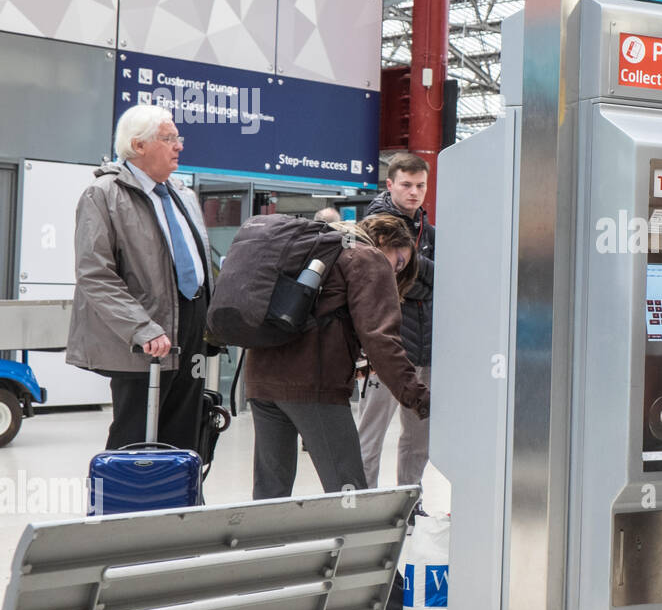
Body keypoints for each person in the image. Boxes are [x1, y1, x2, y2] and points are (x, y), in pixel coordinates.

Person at [244, 213, 430, 500]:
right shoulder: (368, 257)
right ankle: (354, 546)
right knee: (348, 493)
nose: (395, 271)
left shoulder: (324, 247)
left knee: (270, 493)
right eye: (400, 262)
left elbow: (318, 318)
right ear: (382, 241)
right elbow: (382, 338)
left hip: (261, 378)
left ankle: (263, 545)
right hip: (313, 387)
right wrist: (419, 398)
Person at [68, 105, 217, 452]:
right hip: (145, 335)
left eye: (178, 138)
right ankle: (125, 507)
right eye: (169, 139)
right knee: (135, 436)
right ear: (139, 146)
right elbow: (95, 274)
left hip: (191, 329)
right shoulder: (103, 194)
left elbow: (199, 263)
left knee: (185, 433)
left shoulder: (184, 195)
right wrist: (142, 327)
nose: (179, 146)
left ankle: (179, 502)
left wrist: (215, 322)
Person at [356, 154, 436, 492]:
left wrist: (418, 269)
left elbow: (443, 277)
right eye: (406, 185)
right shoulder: (376, 226)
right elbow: (393, 278)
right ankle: (363, 505)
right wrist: (428, 273)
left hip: (426, 346)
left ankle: (409, 501)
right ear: (390, 185)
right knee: (370, 435)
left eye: (420, 185)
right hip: (385, 346)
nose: (414, 192)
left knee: (419, 435)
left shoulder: (428, 230)